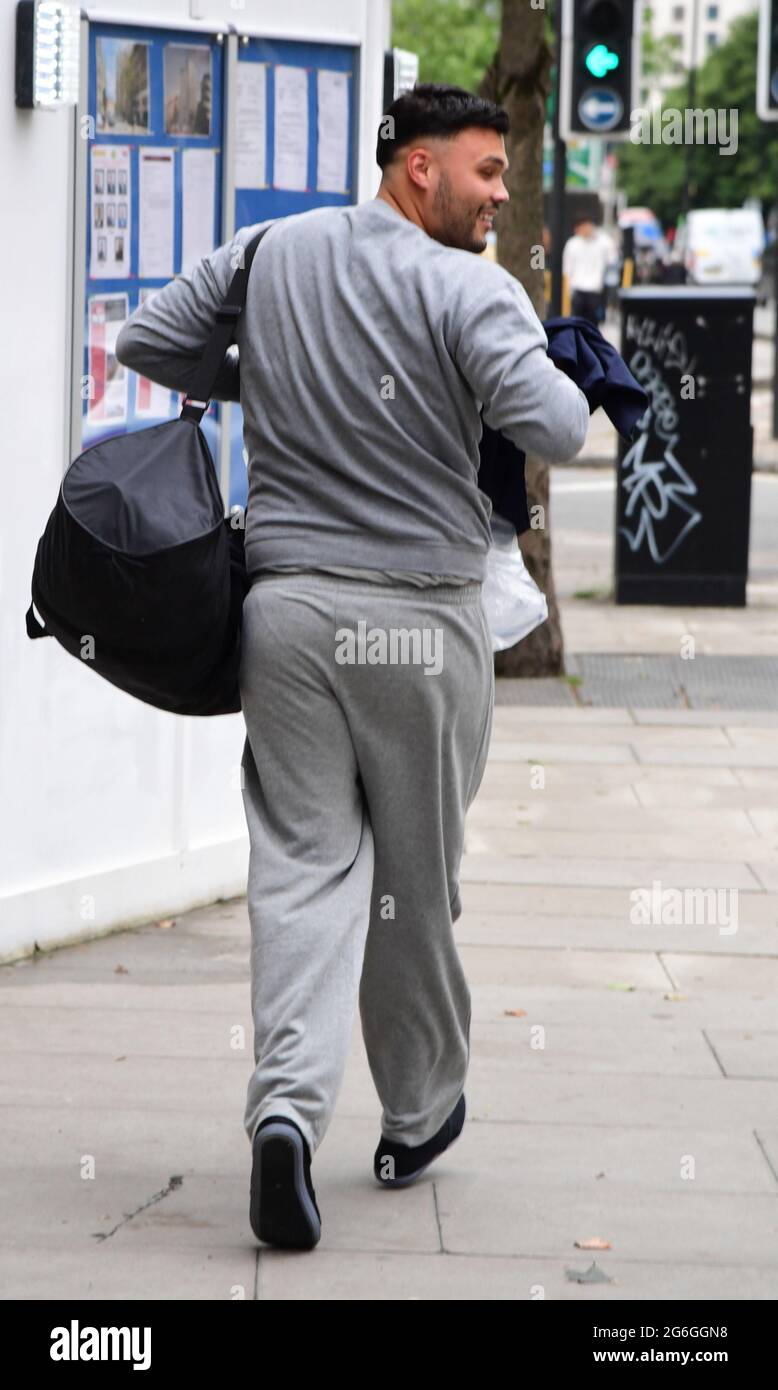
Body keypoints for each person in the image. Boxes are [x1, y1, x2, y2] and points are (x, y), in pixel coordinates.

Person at [114, 82, 589, 1252]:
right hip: (420, 627)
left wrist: (271, 371)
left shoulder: (270, 251)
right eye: (485, 170)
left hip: (283, 620)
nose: (498, 195)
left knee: (300, 874)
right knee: (411, 885)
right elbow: (559, 427)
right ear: (418, 166)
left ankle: (284, 1113)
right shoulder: (469, 287)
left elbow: (146, 340)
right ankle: (417, 1114)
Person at [562, 213, 617, 324]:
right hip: (578, 290)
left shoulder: (604, 242)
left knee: (593, 323)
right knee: (577, 323)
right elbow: (567, 270)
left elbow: (612, 261)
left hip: (595, 291)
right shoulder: (572, 244)